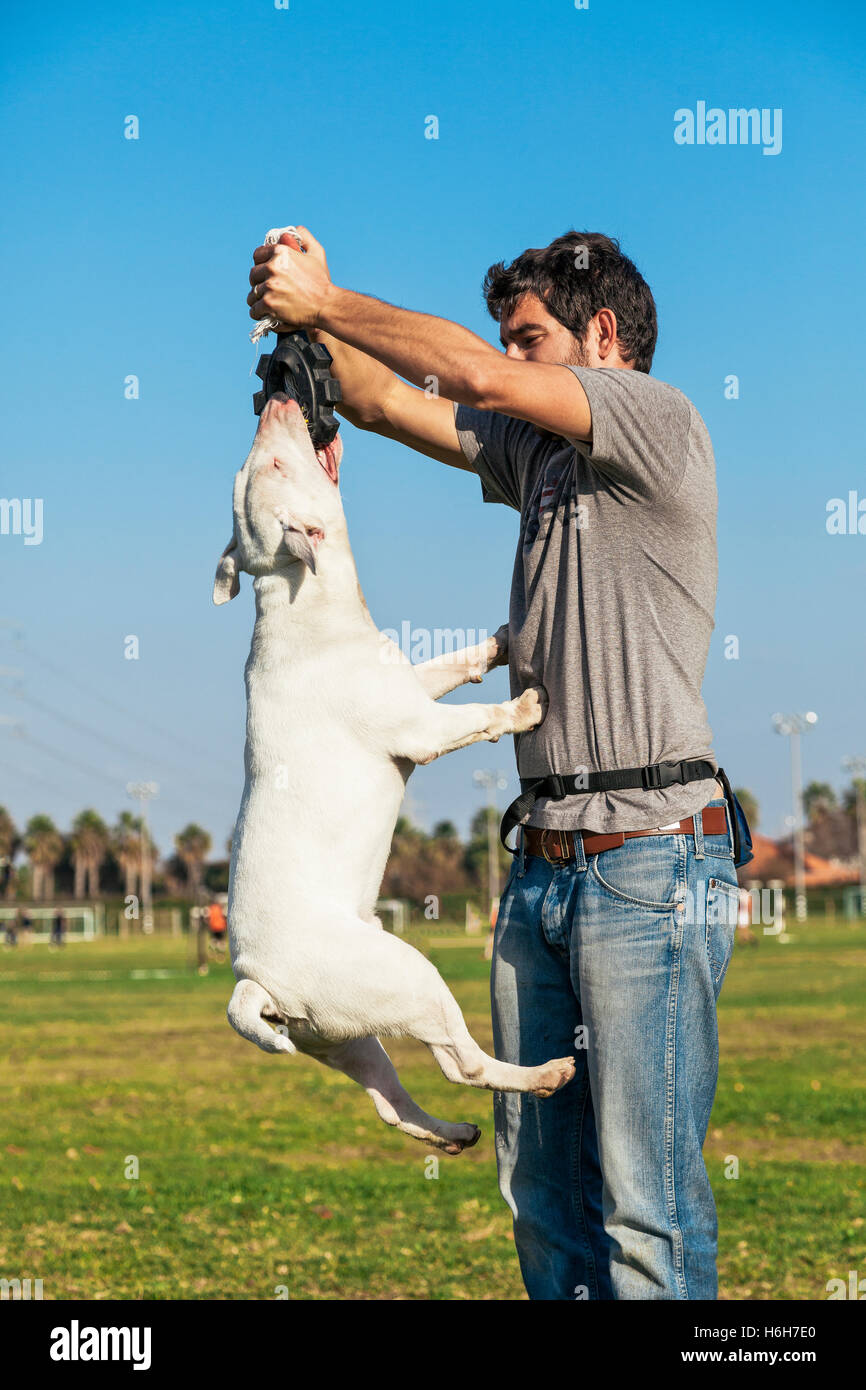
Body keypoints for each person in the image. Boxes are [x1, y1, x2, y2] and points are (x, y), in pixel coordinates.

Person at [246, 227, 741, 1300]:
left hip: (650, 859)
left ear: (601, 335)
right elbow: (394, 399)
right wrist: (305, 360)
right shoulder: (538, 457)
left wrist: (327, 297)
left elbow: (468, 373)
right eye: (507, 343)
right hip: (543, 865)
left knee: (643, 1206)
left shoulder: (657, 421)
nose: (505, 361)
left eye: (529, 340)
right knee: (543, 1203)